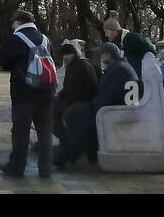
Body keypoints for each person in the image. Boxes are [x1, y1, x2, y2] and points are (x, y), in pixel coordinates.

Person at [56, 41, 138, 169]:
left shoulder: (118, 69)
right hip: (108, 108)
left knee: (84, 124)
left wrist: (93, 107)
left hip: (112, 111)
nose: (100, 56)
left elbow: (111, 95)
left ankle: (67, 156)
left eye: (102, 54)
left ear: (109, 55)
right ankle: (76, 155)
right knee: (78, 120)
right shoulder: (117, 67)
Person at [0, 9, 56, 178]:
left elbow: (3, 61)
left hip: (24, 93)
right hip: (46, 91)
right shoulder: (45, 39)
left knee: (21, 131)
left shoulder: (16, 39)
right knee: (45, 131)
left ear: (17, 22)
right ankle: (46, 168)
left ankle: (17, 166)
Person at [52, 41, 98, 145]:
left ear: (74, 54)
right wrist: (57, 98)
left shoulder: (84, 65)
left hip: (84, 101)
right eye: (63, 55)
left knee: (68, 113)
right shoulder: (70, 67)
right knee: (50, 111)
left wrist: (69, 100)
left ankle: (69, 142)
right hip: (71, 99)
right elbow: (67, 88)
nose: (65, 57)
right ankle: (65, 140)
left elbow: (91, 87)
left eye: (68, 54)